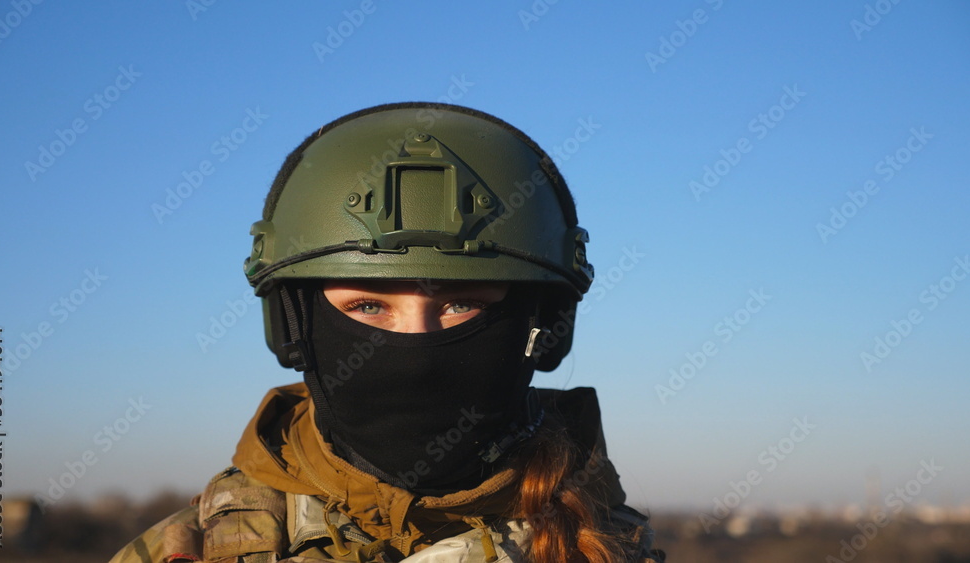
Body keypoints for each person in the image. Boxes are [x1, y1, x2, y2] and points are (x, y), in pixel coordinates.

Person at [109, 103, 665, 562]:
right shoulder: (185, 552)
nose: (415, 349)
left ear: (542, 330)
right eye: (369, 304)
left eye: (463, 304)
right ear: (292, 328)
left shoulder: (610, 547)